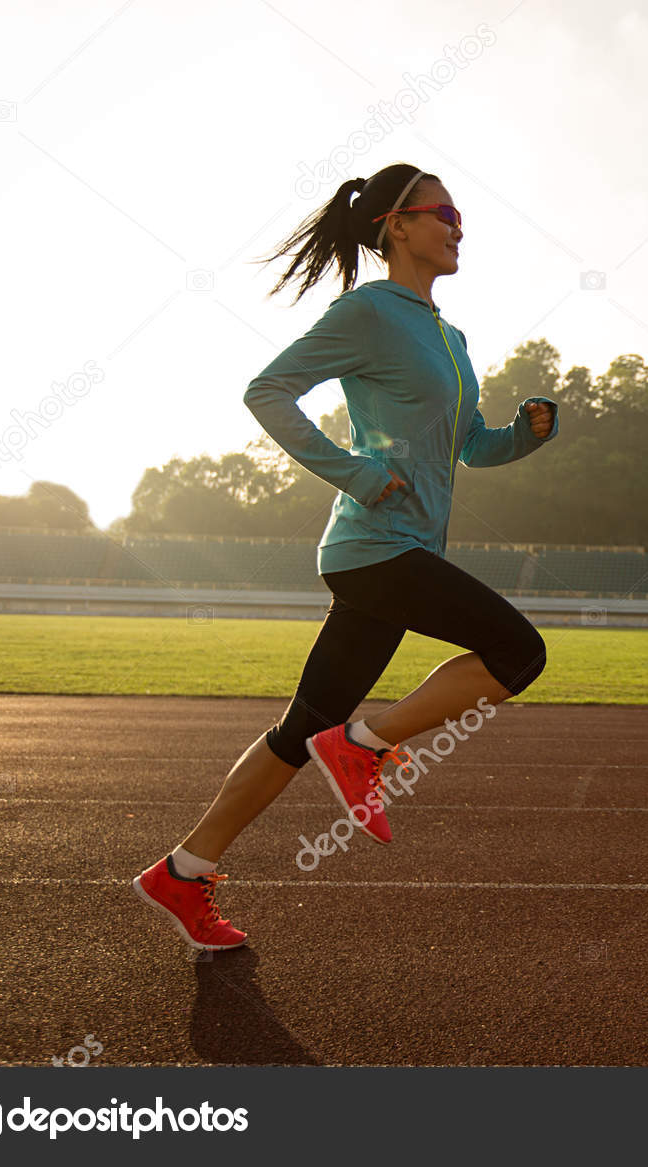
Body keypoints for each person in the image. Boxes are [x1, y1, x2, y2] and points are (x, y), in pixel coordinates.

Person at [132, 162, 559, 951]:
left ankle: (183, 870)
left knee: (302, 728)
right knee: (517, 651)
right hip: (373, 546)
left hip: (399, 551)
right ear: (396, 226)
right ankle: (364, 745)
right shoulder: (366, 312)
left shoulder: (451, 337)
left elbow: (469, 446)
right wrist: (357, 471)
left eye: (460, 215)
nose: (458, 225)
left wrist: (523, 438)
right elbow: (268, 390)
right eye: (444, 211)